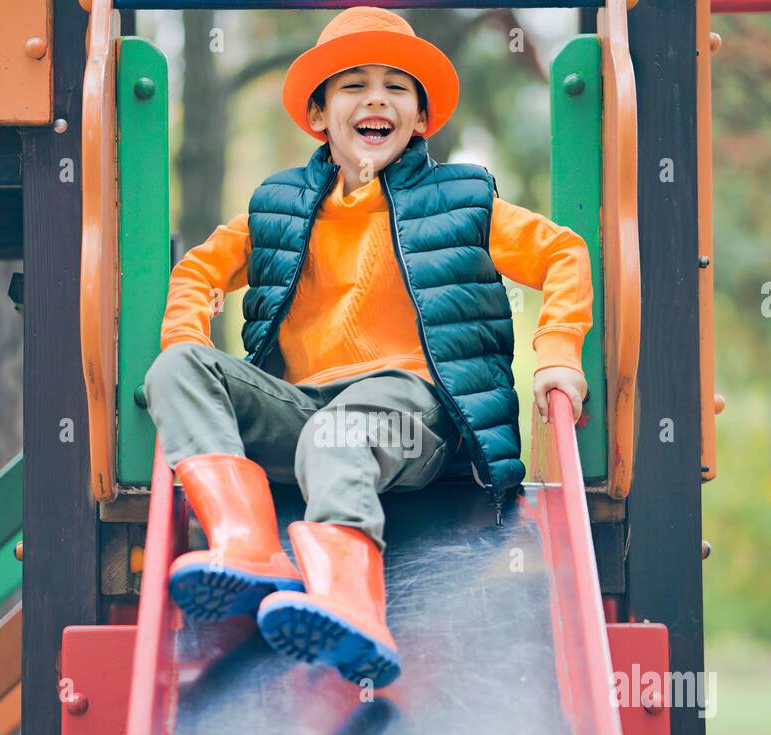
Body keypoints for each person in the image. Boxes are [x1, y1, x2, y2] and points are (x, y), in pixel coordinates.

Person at [145, 6, 591, 689]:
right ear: (320, 116)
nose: (375, 97)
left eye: (396, 86)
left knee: (339, 430)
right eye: (353, 85)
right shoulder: (278, 205)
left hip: (411, 412)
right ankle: (247, 540)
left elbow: (563, 253)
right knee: (176, 368)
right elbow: (199, 270)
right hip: (299, 408)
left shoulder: (463, 198)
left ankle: (351, 597)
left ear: (421, 119)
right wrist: (186, 332)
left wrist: (558, 352)